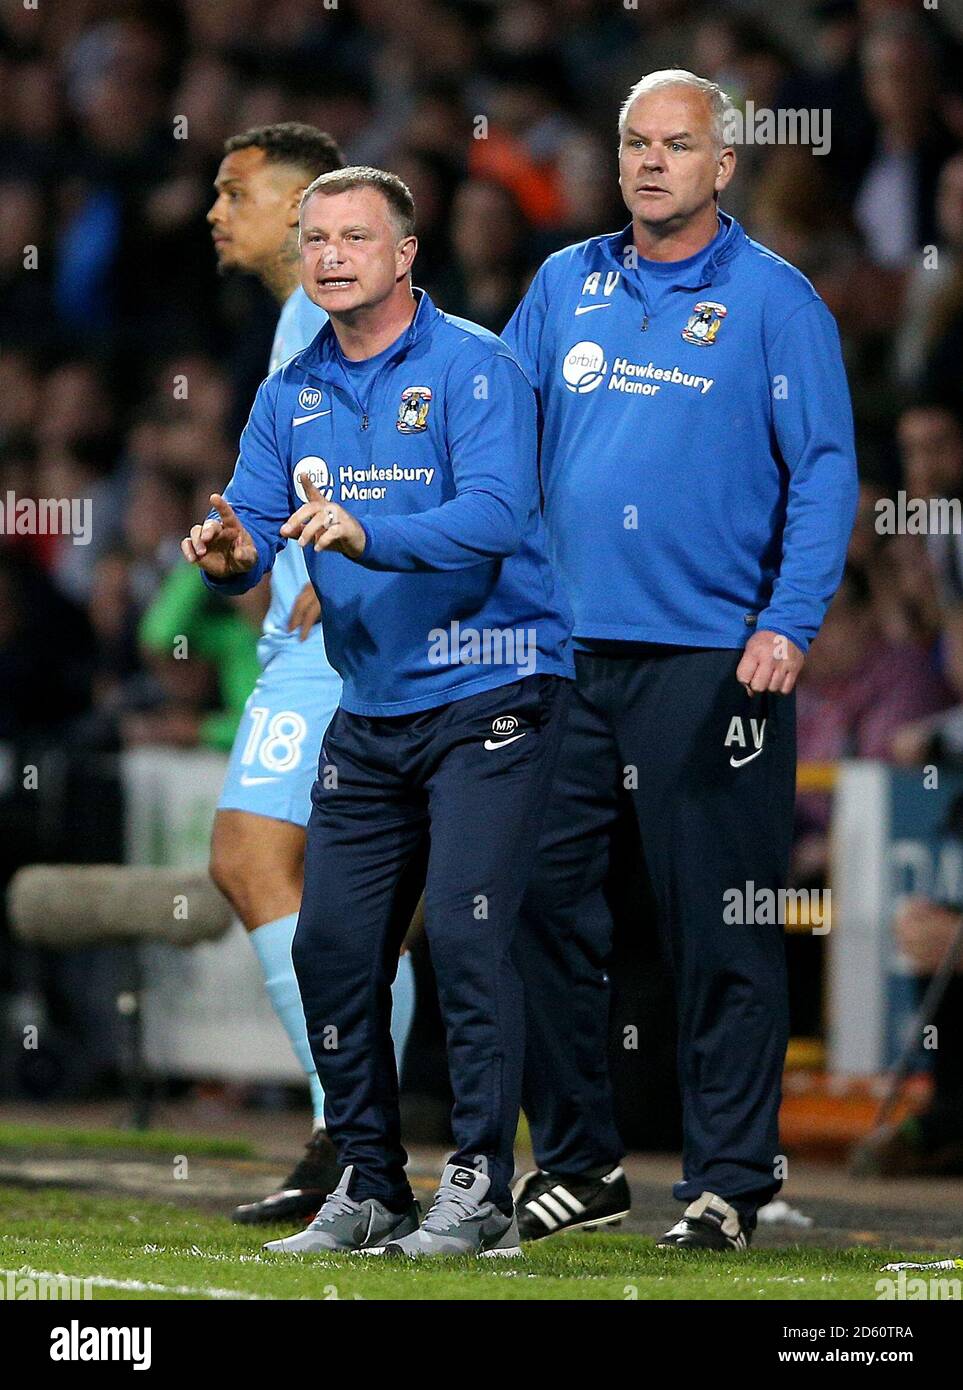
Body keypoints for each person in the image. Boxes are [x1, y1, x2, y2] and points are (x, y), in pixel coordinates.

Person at [182, 167, 574, 1257]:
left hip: (495, 682)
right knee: (332, 944)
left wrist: (369, 534)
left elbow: (497, 513)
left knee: (466, 929)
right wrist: (229, 558)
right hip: (376, 696)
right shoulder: (288, 392)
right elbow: (254, 522)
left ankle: (483, 1186)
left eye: (356, 237)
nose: (331, 254)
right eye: (315, 239)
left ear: (405, 255)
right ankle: (368, 1180)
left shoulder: (476, 366)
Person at [503, 70, 858, 1250]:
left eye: (678, 145)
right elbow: (498, 436)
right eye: (636, 143)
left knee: (720, 922)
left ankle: (730, 1176)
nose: (653, 162)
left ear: (724, 166)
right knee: (544, 908)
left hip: (714, 663)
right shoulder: (565, 284)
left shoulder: (776, 301)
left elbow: (823, 472)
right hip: (566, 659)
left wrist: (789, 620)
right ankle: (583, 1161)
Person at [205, 124, 417, 1225]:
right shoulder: (298, 322)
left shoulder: (332, 314)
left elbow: (402, 441)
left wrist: (343, 570)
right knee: (355, 900)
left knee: (251, 858)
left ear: (302, 208)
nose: (214, 211)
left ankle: (355, 1132)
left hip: (334, 640)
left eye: (236, 191)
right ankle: (358, 1131)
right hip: (313, 636)